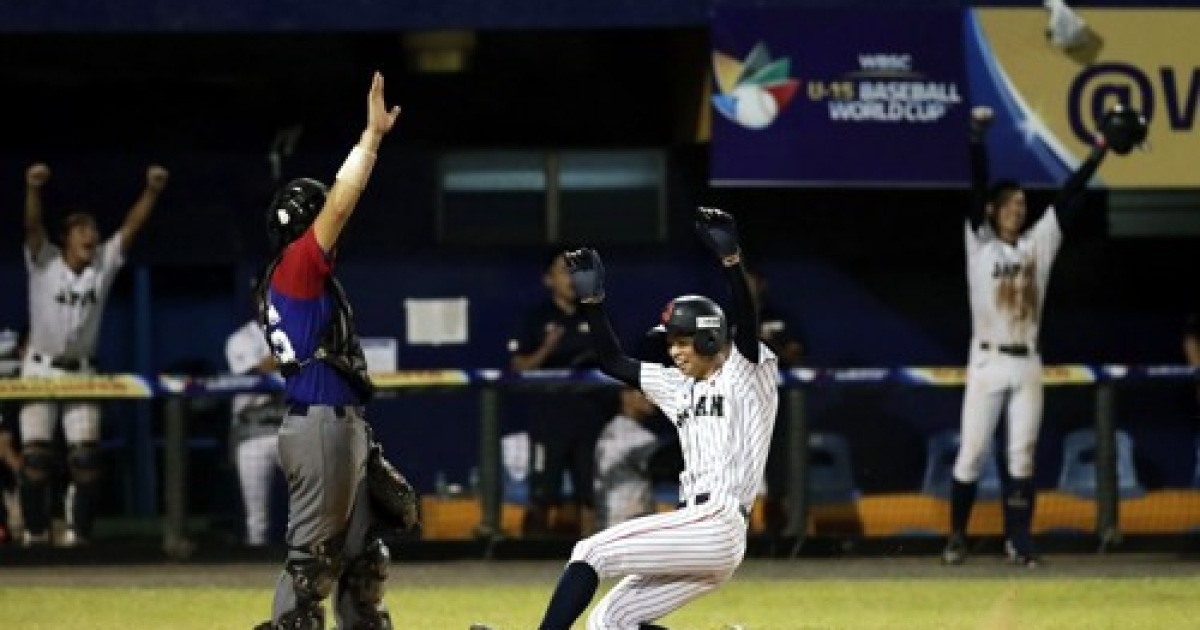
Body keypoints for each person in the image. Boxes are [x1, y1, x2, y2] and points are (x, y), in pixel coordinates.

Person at [493, 206, 778, 630]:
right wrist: (593, 303)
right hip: (699, 529)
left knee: (589, 553)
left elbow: (745, 319)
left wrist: (732, 261)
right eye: (670, 342)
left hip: (717, 521)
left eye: (683, 341)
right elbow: (613, 361)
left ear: (710, 337)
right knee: (610, 620)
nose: (674, 350)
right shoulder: (679, 384)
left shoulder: (744, 373)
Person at [942, 103, 1144, 568]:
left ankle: (1019, 542)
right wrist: (976, 139)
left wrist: (1099, 152)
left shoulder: (1039, 245)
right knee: (971, 453)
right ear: (993, 212)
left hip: (1027, 361)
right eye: (1009, 204)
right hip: (987, 360)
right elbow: (976, 190)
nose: (1018, 209)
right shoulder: (981, 243)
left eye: (1020, 204)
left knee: (1022, 458)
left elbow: (1071, 194)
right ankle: (956, 537)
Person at [252, 71, 409, 630]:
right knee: (311, 565)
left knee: (366, 559)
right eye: (315, 215)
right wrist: (370, 140)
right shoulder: (296, 266)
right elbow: (340, 207)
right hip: (319, 421)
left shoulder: (302, 279)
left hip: (336, 421)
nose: (328, 223)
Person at [19, 160, 168, 547]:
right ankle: (35, 537)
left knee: (86, 463)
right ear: (66, 237)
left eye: (93, 230)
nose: (91, 235)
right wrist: (33, 189)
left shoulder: (101, 265)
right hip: (39, 369)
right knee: (35, 462)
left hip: (82, 373)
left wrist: (151, 191)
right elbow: (32, 227)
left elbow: (131, 229)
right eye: (82, 230)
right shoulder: (45, 260)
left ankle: (76, 538)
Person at [507, 252, 611, 538]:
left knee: (588, 490)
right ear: (549, 279)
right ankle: (529, 554)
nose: (571, 279)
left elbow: (613, 360)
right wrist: (547, 348)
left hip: (589, 416)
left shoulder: (593, 315)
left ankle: (591, 553)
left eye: (575, 273)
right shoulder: (536, 317)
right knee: (544, 490)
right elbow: (518, 366)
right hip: (549, 416)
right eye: (564, 272)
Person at [746, 266, 805, 541]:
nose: (750, 285)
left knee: (778, 480)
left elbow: (796, 354)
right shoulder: (726, 319)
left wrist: (766, 346)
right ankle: (737, 545)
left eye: (753, 279)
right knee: (737, 481)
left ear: (762, 283)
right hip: (739, 409)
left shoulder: (779, 318)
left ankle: (778, 544)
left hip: (775, 408)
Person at [225, 318, 285, 547]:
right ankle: (253, 571)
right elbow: (258, 370)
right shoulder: (241, 339)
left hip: (287, 429)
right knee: (256, 518)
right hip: (252, 431)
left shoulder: (296, 331)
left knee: (315, 497)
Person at [593, 387, 661, 531]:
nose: (650, 397)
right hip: (628, 521)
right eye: (642, 392)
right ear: (625, 396)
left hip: (609, 516)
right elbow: (667, 469)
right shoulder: (636, 436)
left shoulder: (611, 428)